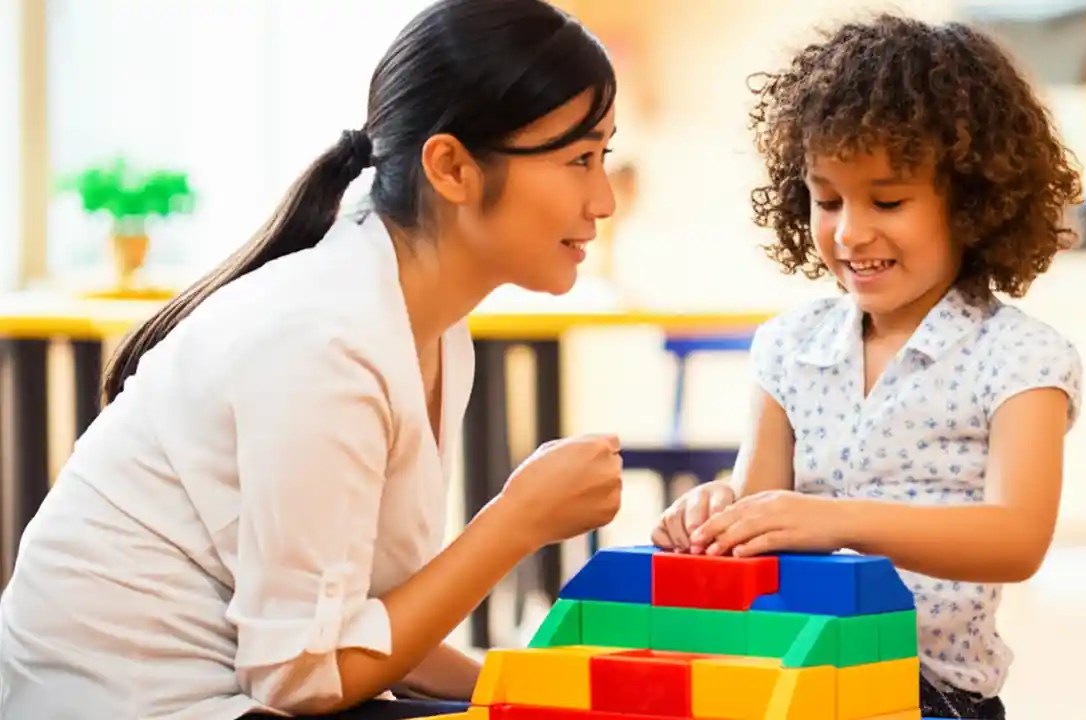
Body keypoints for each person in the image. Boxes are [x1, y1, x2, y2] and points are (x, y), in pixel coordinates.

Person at [0, 1, 623, 718]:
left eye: (604, 156)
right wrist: (517, 521)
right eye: (578, 159)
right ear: (452, 166)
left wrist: (532, 687)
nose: (602, 198)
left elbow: (364, 625)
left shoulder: (430, 328)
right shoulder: (326, 340)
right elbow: (300, 676)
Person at [651, 14, 1084, 720]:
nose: (850, 231)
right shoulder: (789, 348)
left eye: (888, 200)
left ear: (971, 203)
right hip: (786, 672)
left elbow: (1016, 538)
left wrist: (834, 520)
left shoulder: (1021, 359)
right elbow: (760, 506)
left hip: (930, 692)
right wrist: (714, 513)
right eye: (827, 199)